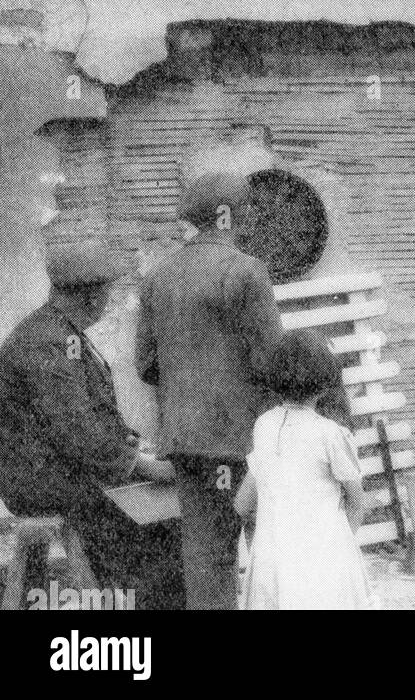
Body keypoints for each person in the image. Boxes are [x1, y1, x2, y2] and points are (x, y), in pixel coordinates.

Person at [0, 240, 184, 609]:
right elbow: (78, 431)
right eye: (106, 292)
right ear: (90, 296)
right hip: (44, 483)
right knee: (165, 527)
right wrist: (144, 465)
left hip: (59, 473)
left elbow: (87, 419)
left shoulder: (58, 332)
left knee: (159, 513)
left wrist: (136, 447)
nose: (108, 300)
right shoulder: (47, 342)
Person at [135, 156, 285, 610]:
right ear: (226, 214)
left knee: (205, 555)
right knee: (269, 548)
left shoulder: (157, 276)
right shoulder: (246, 271)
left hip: (184, 440)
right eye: (245, 210)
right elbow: (273, 361)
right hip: (243, 439)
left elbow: (145, 365)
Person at [235, 331, 373, 609]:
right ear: (324, 386)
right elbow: (357, 502)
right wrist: (341, 550)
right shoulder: (331, 434)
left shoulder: (263, 426)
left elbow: (241, 504)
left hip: (273, 556)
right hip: (323, 557)